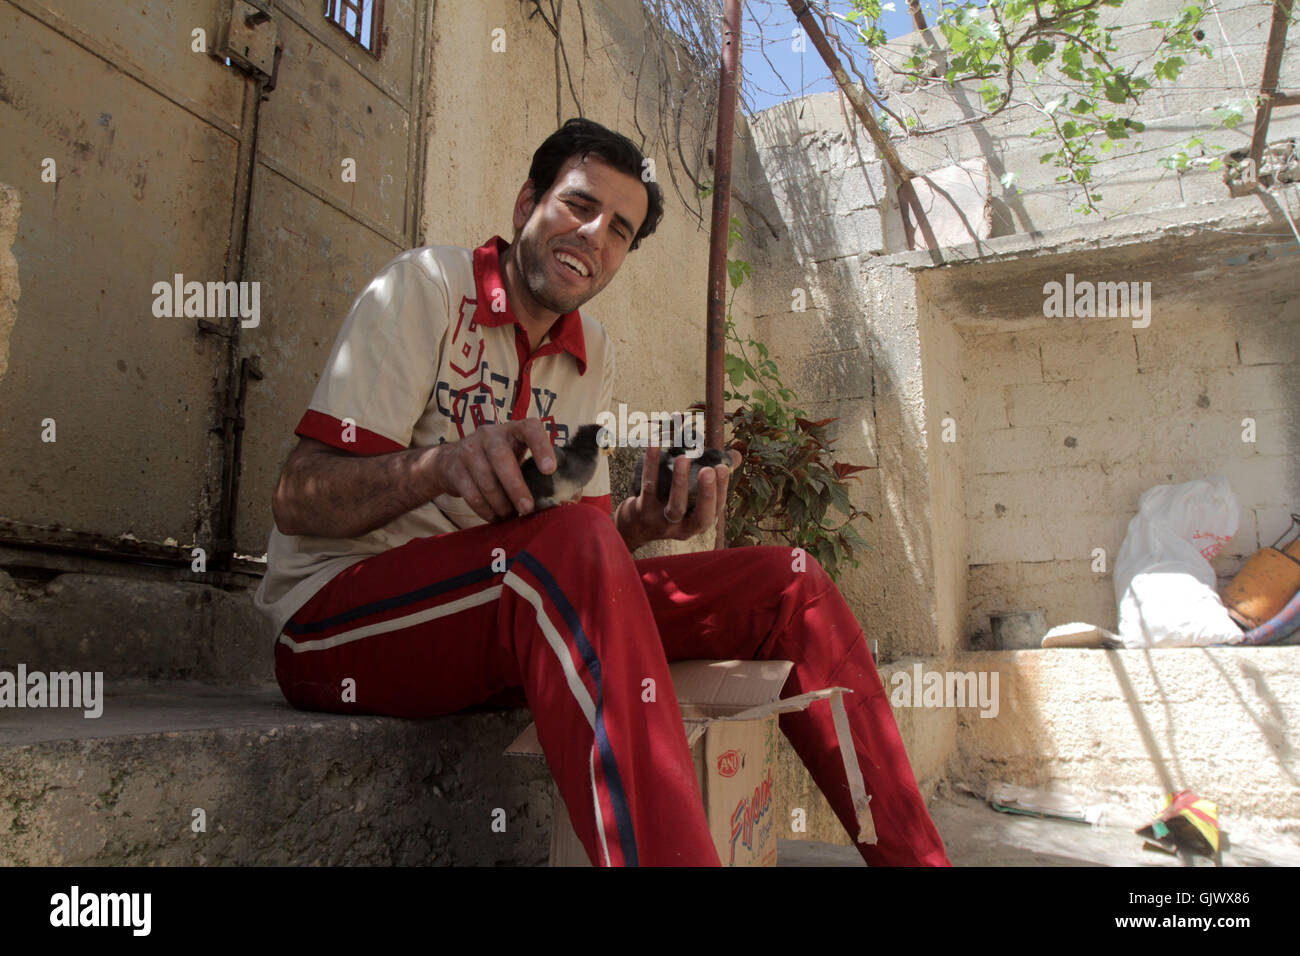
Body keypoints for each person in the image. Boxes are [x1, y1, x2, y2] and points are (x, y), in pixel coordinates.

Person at [254, 117, 951, 867]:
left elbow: (583, 552)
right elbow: (299, 497)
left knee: (788, 584)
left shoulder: (593, 357)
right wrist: (437, 467)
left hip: (499, 625)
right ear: (528, 203)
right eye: (579, 206)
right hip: (334, 625)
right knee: (565, 550)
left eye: (619, 229)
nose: (594, 235)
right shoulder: (425, 287)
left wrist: (643, 523)